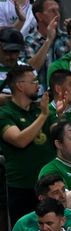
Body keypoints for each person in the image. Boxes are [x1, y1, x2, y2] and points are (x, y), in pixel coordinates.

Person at [0, 65, 54, 222]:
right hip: (22, 185)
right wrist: (44, 115)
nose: (38, 84)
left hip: (49, 184)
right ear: (20, 85)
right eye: (34, 81)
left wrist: (60, 116)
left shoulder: (40, 109)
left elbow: (57, 133)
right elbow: (19, 140)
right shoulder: (5, 113)